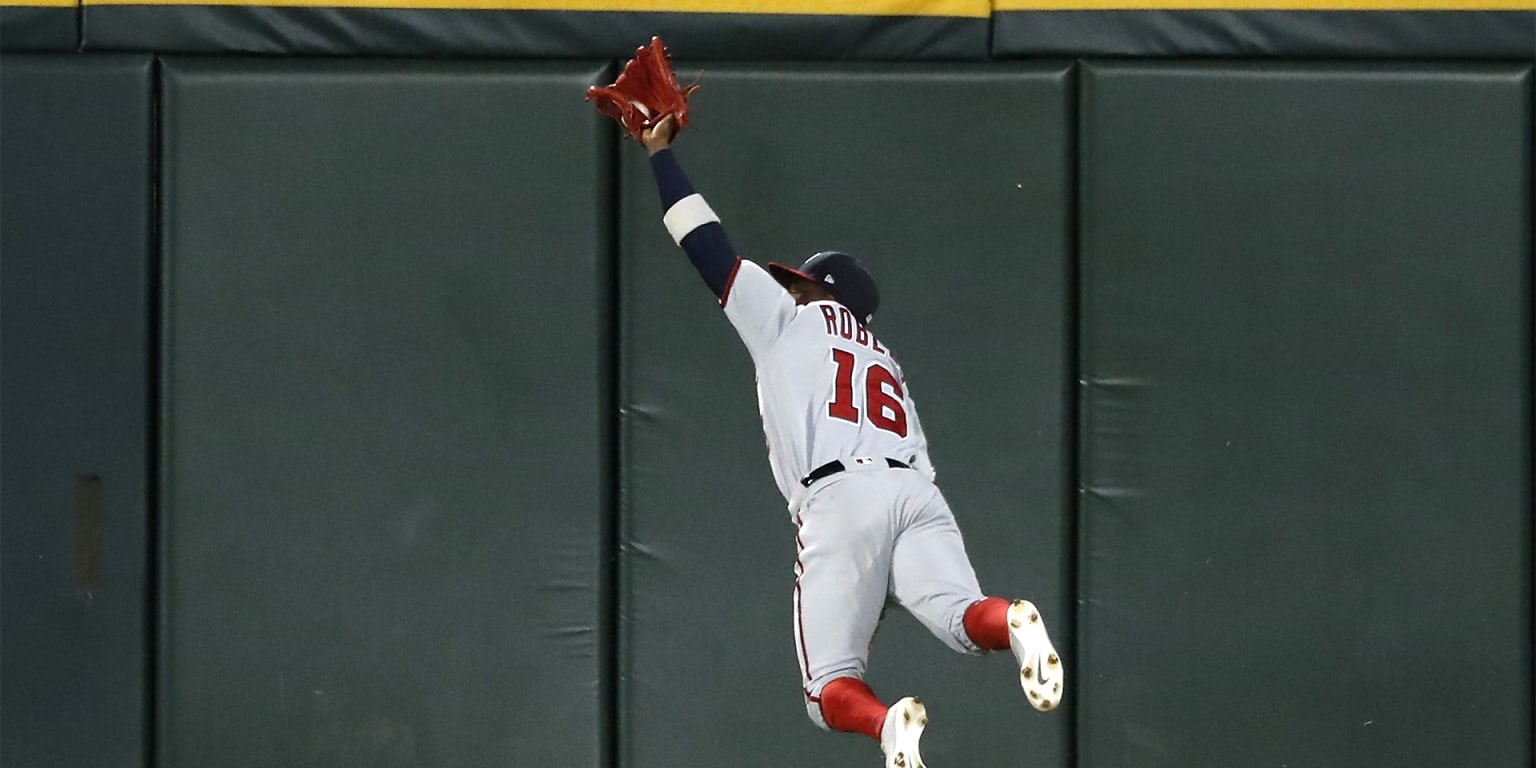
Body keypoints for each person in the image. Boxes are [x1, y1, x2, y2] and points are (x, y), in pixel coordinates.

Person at [639, 114, 1063, 768]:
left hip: (841, 495)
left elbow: (705, 246)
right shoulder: (884, 358)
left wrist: (659, 154)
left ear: (820, 291)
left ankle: (886, 724)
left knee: (828, 685)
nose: (788, 284)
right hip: (916, 491)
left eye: (799, 279)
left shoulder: (790, 319)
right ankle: (1011, 621)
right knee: (965, 619)